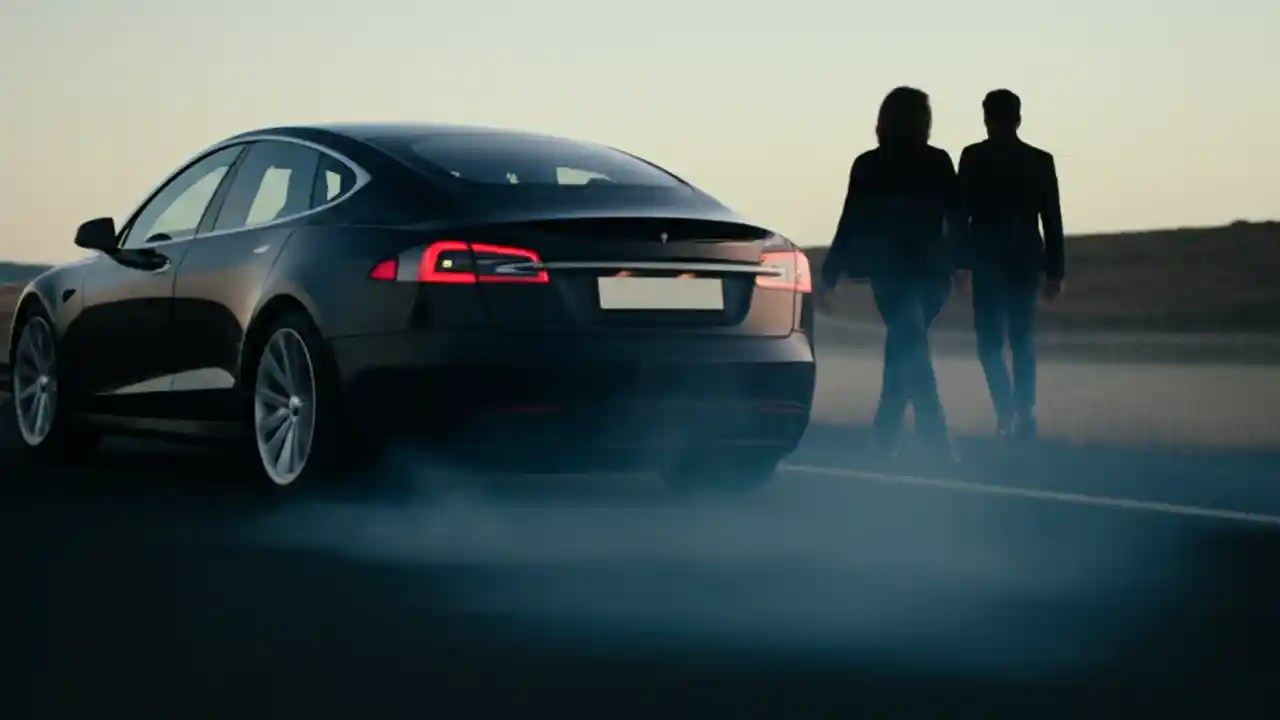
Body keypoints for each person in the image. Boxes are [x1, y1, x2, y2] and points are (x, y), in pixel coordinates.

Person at [816, 86, 965, 464]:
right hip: (932, 277)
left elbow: (848, 222)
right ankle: (894, 441)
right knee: (907, 347)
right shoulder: (938, 161)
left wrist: (829, 277)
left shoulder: (868, 164)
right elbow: (958, 220)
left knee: (908, 348)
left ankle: (925, 442)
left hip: (892, 276)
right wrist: (962, 267)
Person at [955, 89, 1065, 440]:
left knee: (989, 343)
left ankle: (1006, 411)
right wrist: (1055, 271)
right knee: (1021, 338)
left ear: (986, 118)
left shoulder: (973, 157)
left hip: (988, 262)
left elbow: (960, 216)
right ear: (1018, 118)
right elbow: (1052, 219)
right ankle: (1025, 410)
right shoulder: (1039, 160)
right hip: (1024, 261)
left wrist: (959, 264)